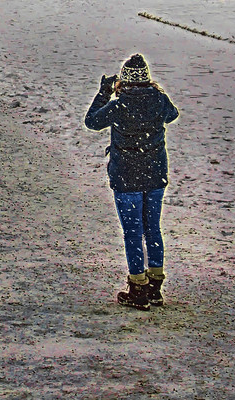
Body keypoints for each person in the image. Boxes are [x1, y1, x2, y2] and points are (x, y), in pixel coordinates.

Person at [85, 54, 181, 309]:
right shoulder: (158, 100)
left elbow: (92, 121)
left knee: (132, 232)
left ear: (124, 80)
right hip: (155, 174)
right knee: (153, 228)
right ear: (147, 78)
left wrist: (104, 93)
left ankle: (137, 288)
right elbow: (172, 115)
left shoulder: (119, 105)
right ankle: (155, 287)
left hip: (127, 176)